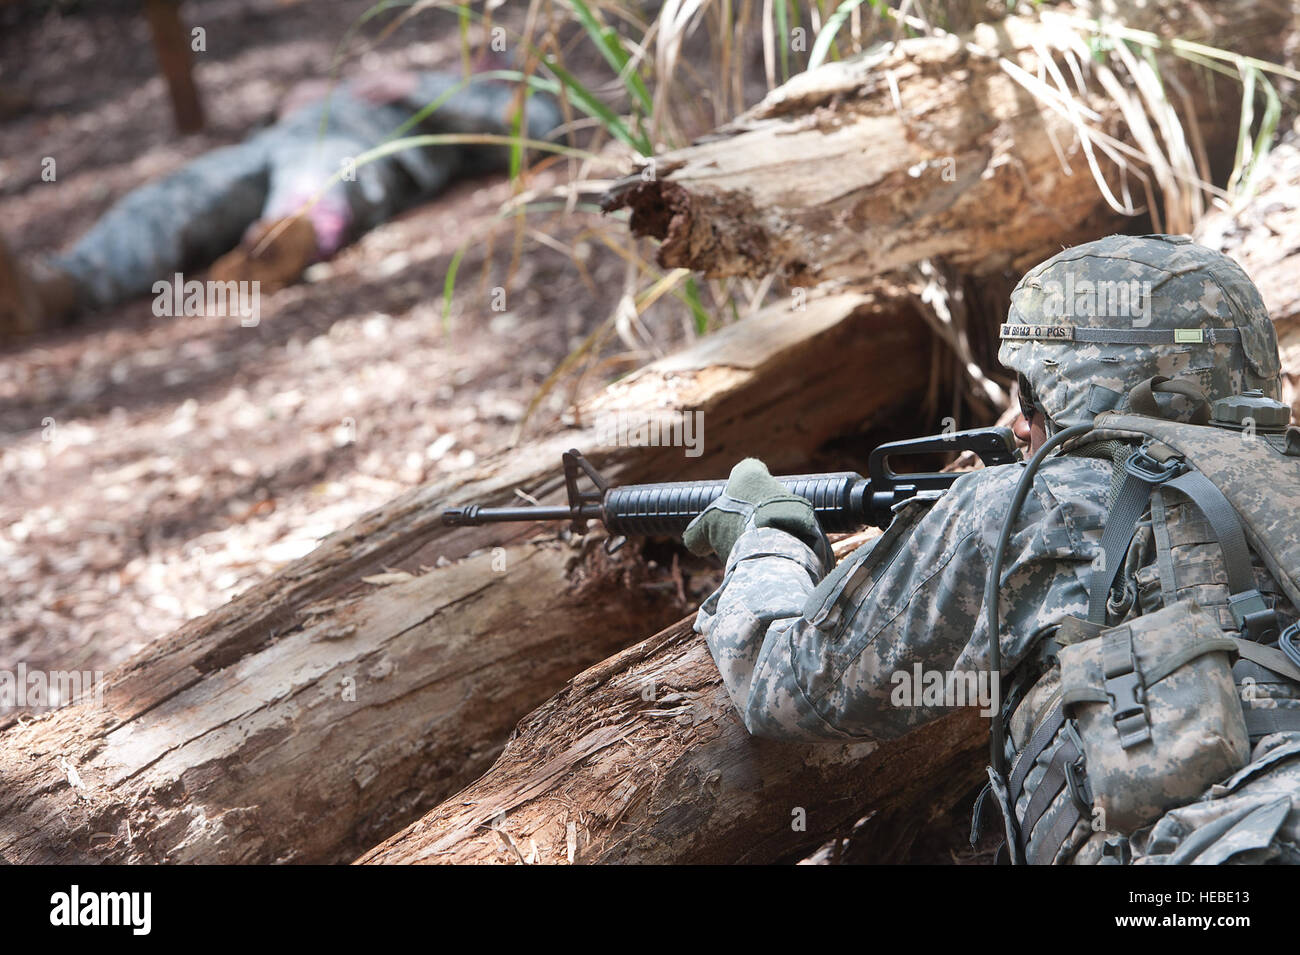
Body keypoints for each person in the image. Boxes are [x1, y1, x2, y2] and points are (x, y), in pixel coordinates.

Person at [682, 234, 1300, 864]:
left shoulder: (1029, 507)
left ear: (1088, 383)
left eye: (1031, 396)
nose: (1020, 426)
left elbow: (786, 683)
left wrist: (765, 538)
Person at [0, 69, 564, 340]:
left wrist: (414, 87)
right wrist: (290, 100)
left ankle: (284, 237)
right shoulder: (356, 72)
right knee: (173, 197)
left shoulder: (453, 89)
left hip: (361, 149)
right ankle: (58, 287)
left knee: (319, 169)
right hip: (270, 143)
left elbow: (542, 128)